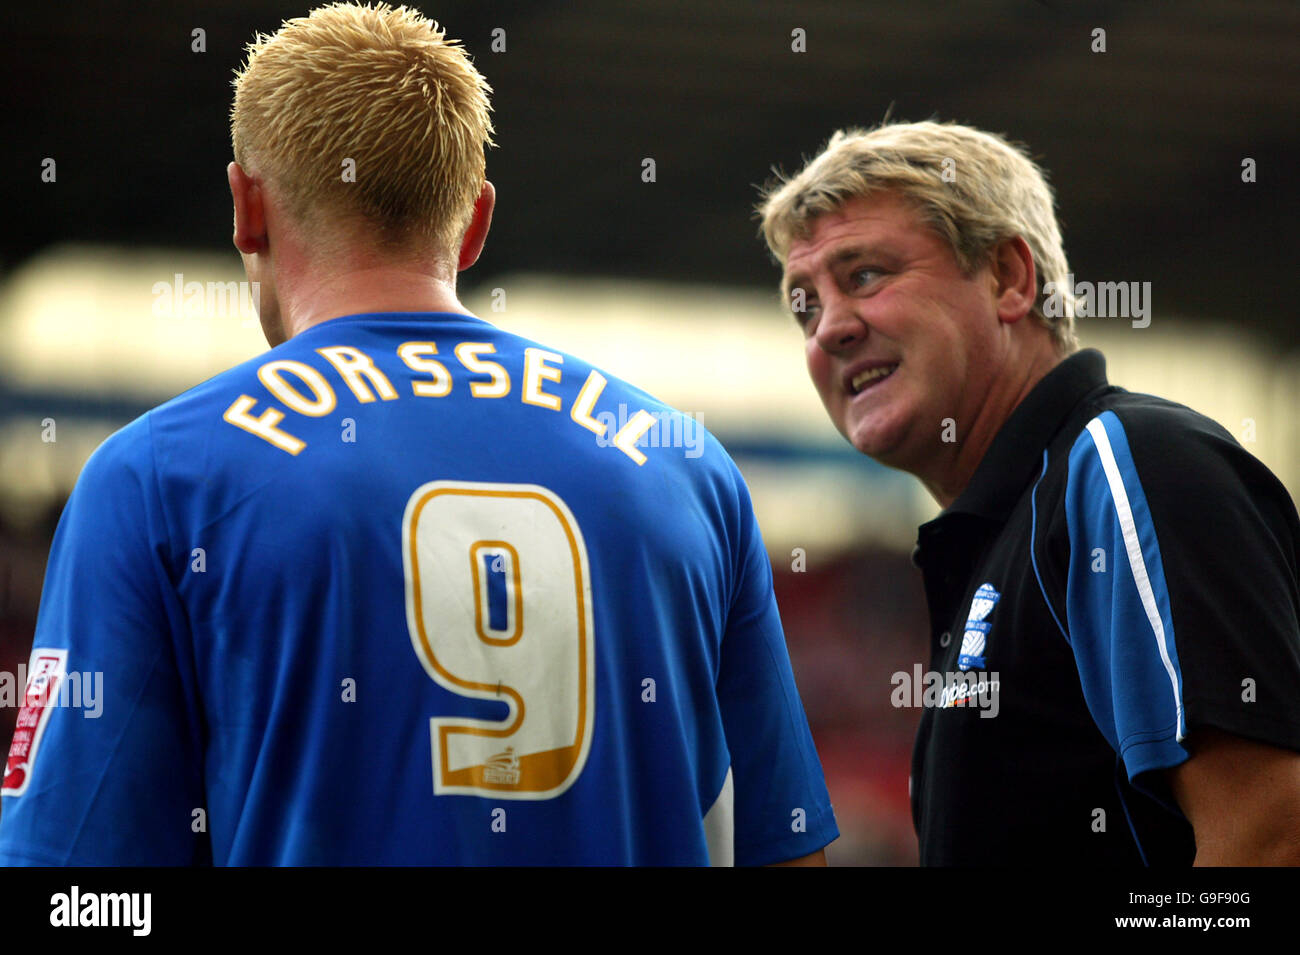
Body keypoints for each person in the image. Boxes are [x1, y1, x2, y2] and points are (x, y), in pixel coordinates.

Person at [0, 2, 837, 866]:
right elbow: (787, 848)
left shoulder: (158, 476)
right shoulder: (687, 465)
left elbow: (78, 883)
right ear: (474, 222)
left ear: (246, 207)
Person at [756, 120, 1300, 865]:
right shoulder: (999, 537)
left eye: (865, 275)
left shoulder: (1125, 463)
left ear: (1011, 279)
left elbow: (1270, 838)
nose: (828, 331)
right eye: (804, 305)